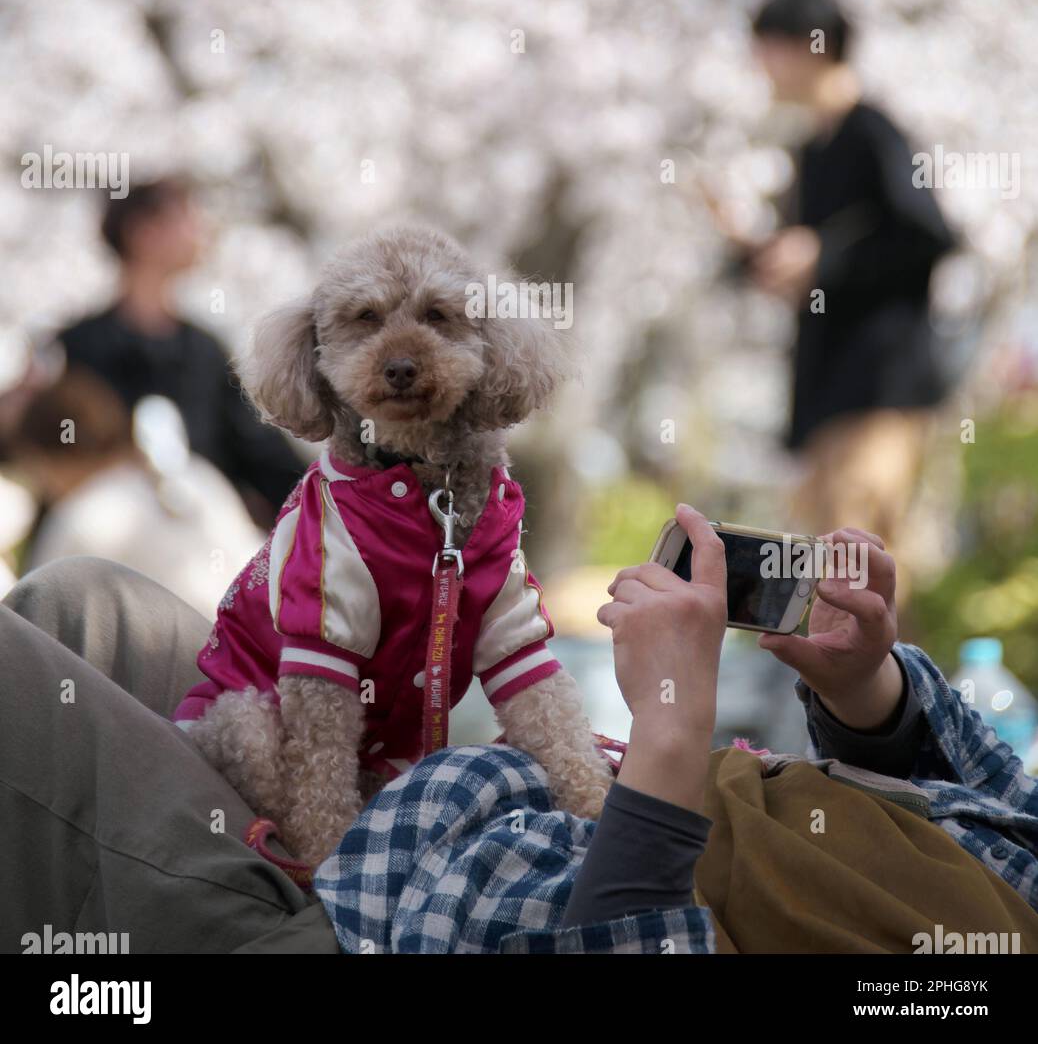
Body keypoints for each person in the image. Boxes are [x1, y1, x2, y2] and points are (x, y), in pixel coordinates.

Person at [3, 505, 1037, 954]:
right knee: (88, 605)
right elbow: (992, 803)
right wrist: (871, 698)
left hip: (367, 923)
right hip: (412, 803)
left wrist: (672, 730)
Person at [746, 0, 957, 560]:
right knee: (827, 565)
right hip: (828, 389)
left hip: (880, 387)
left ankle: (895, 659)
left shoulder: (872, 131)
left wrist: (823, 257)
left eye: (768, 46)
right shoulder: (813, 149)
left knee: (863, 562)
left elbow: (929, 235)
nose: (760, 65)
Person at [56, 176, 302, 525]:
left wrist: (319, 498)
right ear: (143, 232)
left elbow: (259, 450)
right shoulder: (76, 347)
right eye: (186, 218)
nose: (201, 230)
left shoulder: (205, 350)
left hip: (195, 543)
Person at [8, 368, 262, 618]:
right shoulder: (195, 474)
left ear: (50, 461)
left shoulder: (82, 517)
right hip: (259, 638)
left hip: (190, 651)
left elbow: (37, 621)